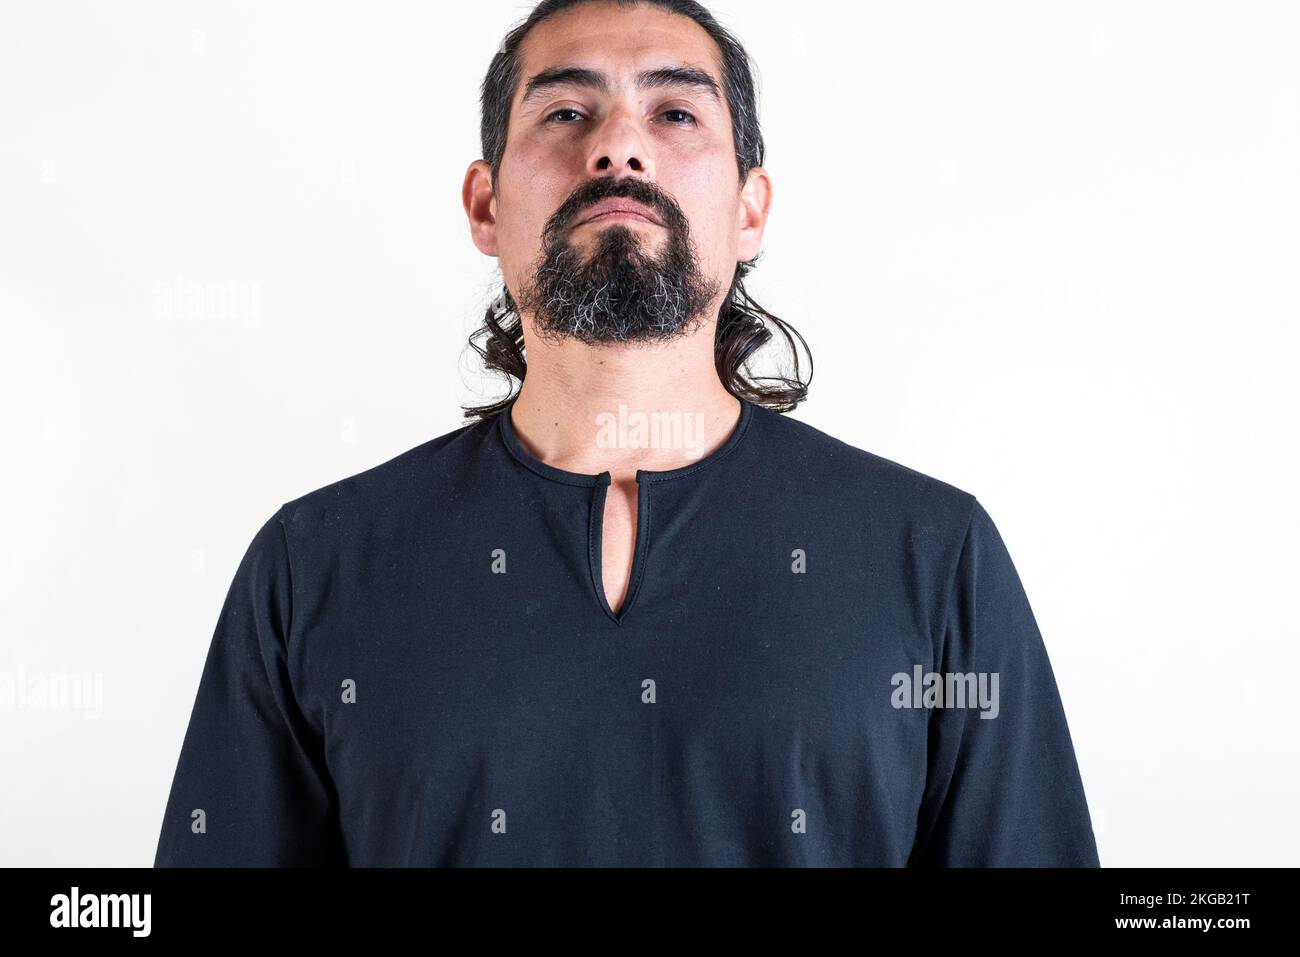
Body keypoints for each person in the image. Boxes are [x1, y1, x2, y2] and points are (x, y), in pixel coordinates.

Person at [154, 0, 1100, 867]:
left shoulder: (935, 560)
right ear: (485, 205)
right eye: (566, 112)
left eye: (676, 114)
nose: (619, 148)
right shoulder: (314, 567)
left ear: (749, 210)